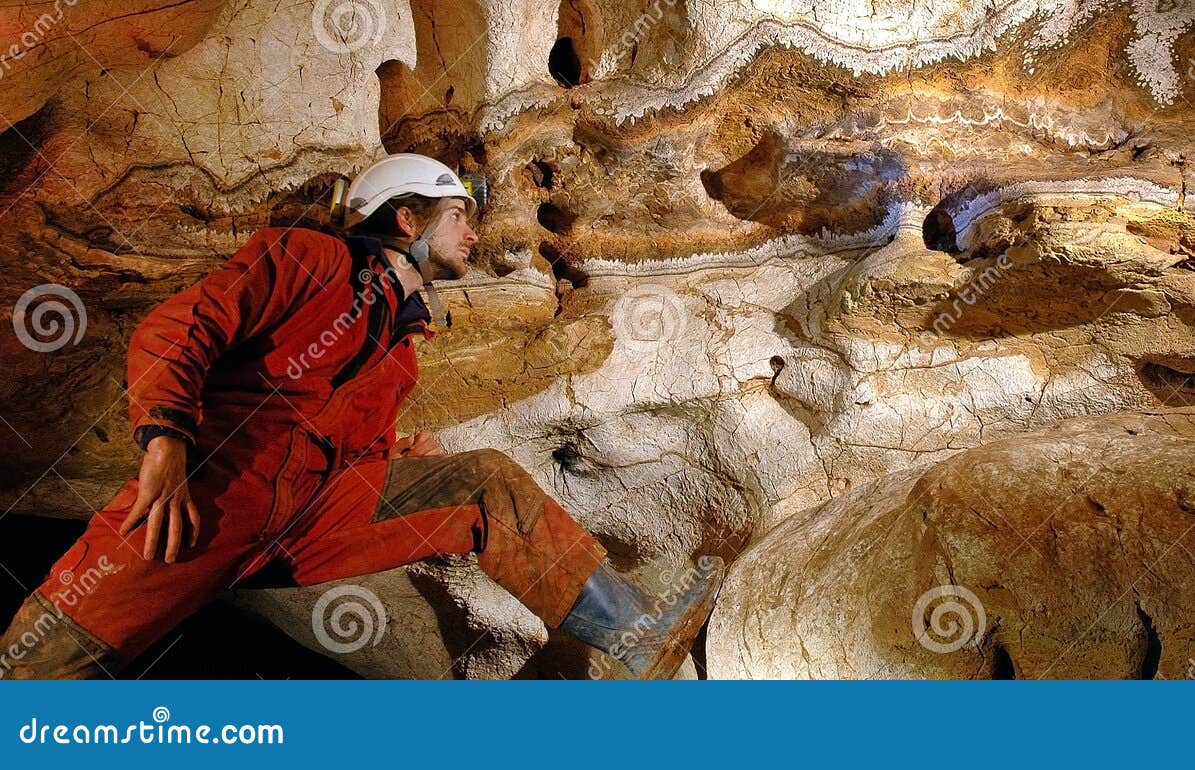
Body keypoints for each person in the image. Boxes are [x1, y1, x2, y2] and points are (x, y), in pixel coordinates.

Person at [0, 152, 722, 679]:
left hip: (311, 517)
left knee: (483, 486)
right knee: (45, 657)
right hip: (210, 502)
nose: (473, 234)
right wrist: (163, 438)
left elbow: (349, 455)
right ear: (406, 219)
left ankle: (634, 628)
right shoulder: (306, 260)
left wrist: (399, 460)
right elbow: (180, 328)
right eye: (458, 217)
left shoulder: (401, 353)